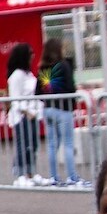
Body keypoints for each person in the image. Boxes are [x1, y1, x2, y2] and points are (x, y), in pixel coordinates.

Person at [38, 37, 81, 187]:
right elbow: (70, 86)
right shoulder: (63, 65)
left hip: (48, 109)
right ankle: (72, 176)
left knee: (51, 145)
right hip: (63, 109)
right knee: (68, 143)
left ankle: (54, 176)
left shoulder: (43, 67)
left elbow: (38, 91)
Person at [6, 41, 43, 186]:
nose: (33, 56)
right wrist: (26, 111)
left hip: (33, 113)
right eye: (30, 53)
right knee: (23, 145)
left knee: (33, 145)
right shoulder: (16, 76)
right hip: (22, 115)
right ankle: (21, 175)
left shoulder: (28, 74)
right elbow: (15, 98)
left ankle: (31, 172)